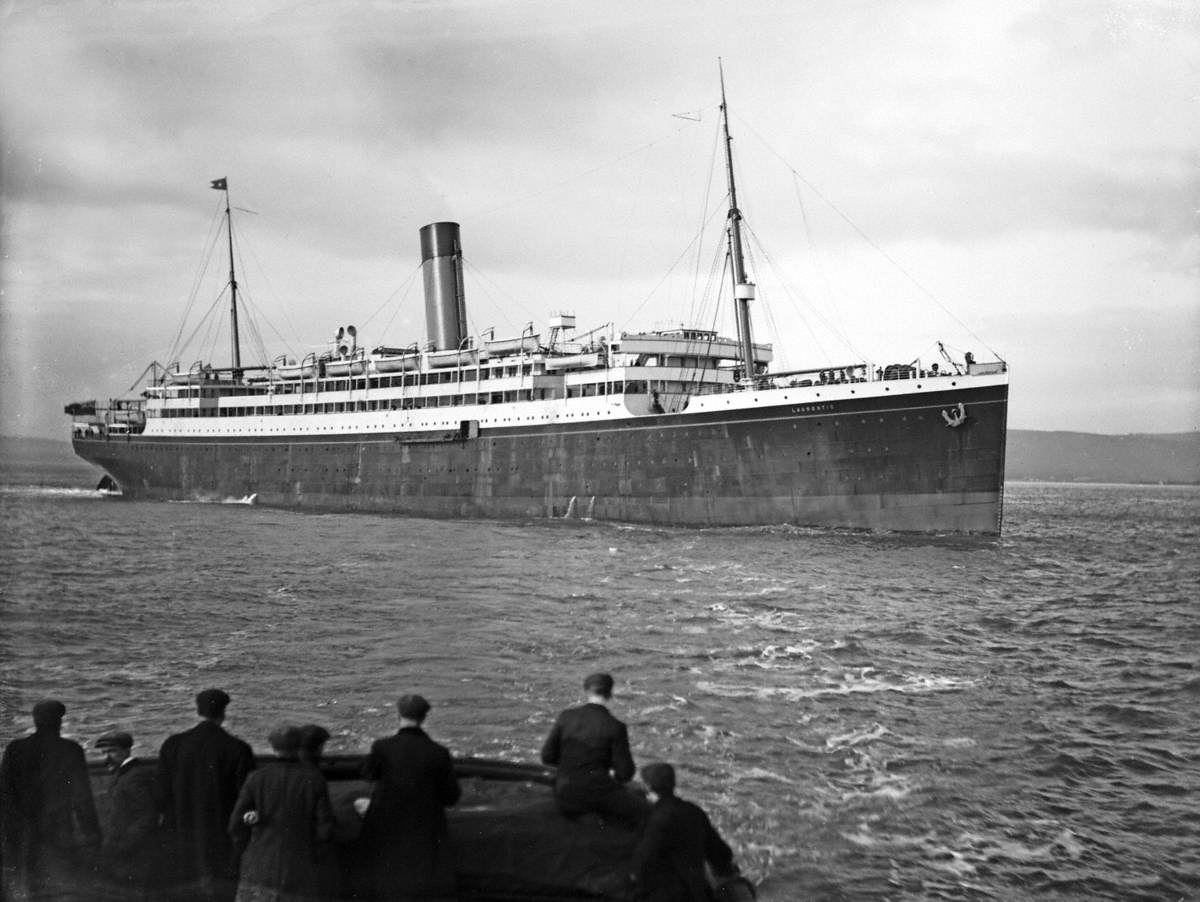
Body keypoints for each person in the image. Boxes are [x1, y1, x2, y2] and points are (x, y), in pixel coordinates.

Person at [356, 694, 461, 900]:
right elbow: (451, 796)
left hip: (386, 825)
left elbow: (368, 774)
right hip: (424, 828)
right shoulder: (439, 752)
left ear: (399, 714)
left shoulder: (382, 747)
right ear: (424, 718)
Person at [159, 688, 256, 902]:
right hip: (220, 836)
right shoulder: (239, 749)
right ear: (224, 712)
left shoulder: (173, 744)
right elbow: (245, 798)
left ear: (197, 710)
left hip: (181, 833)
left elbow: (163, 792)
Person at [0, 700, 101, 899]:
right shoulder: (71, 750)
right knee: (59, 888)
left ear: (35, 720)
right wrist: (93, 835)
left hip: (22, 834)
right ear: (59, 721)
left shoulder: (15, 749)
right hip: (58, 832)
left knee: (27, 886)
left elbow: (5, 794)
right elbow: (82, 799)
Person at [228, 725, 335, 902]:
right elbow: (325, 828)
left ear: (272, 747)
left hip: (260, 863)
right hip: (299, 864)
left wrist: (246, 850)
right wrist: (315, 856)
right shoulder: (314, 778)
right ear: (299, 746)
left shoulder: (256, 778)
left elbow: (236, 824)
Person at [540, 672, 646, 828]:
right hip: (596, 794)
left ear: (586, 691)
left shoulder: (566, 716)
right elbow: (625, 773)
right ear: (610, 693)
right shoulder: (615, 726)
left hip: (564, 791)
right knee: (646, 811)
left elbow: (547, 756)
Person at [630, 762, 739, 902]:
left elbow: (641, 863)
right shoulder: (694, 811)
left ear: (648, 787)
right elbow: (721, 854)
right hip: (697, 895)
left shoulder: (652, 817)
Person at [95, 730, 161, 899]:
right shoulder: (127, 774)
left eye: (112, 751)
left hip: (134, 854)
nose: (107, 757)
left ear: (125, 751)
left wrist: (123, 846)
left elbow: (147, 816)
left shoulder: (134, 777)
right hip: (128, 853)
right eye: (104, 753)